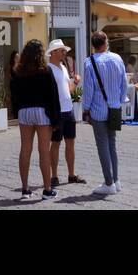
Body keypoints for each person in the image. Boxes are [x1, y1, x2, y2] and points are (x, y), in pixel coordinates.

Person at [9, 39, 60, 199]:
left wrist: (18, 112)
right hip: (41, 112)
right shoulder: (45, 70)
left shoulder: (18, 72)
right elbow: (53, 96)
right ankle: (47, 189)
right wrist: (55, 119)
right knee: (43, 150)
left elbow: (14, 95)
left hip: (25, 112)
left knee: (25, 149)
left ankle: (25, 189)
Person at [83, 30, 128, 196]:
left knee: (102, 146)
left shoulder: (89, 63)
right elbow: (124, 83)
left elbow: (88, 90)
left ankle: (109, 183)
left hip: (98, 110)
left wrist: (86, 109)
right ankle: (115, 180)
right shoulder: (117, 58)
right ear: (106, 42)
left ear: (93, 45)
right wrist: (120, 99)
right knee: (112, 145)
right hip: (114, 107)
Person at [47, 40, 85, 188]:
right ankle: (54, 175)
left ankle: (71, 174)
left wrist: (75, 82)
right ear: (54, 52)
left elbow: (69, 89)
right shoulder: (48, 69)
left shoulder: (63, 67)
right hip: (57, 112)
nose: (64, 53)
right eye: (61, 50)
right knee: (55, 144)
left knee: (71, 142)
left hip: (68, 110)